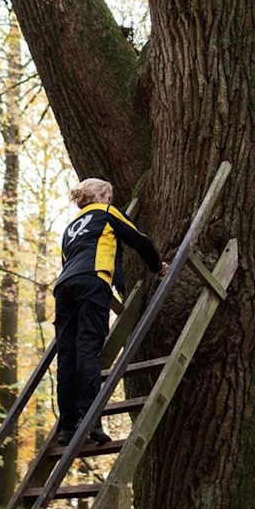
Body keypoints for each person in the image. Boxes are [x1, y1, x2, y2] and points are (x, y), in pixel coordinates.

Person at [53, 178, 167, 446]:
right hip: (93, 280)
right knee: (87, 348)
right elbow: (138, 239)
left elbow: (66, 261)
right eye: (109, 197)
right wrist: (156, 266)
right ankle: (90, 420)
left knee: (67, 355)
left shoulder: (69, 229)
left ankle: (67, 426)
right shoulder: (106, 212)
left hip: (64, 286)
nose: (110, 201)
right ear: (102, 196)